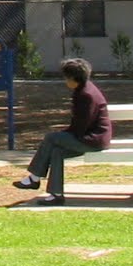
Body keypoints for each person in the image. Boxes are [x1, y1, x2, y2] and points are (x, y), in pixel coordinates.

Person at [14, 57, 111, 205]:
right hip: (88, 137)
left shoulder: (86, 95)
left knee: (51, 138)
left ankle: (34, 178)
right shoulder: (84, 89)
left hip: (92, 140)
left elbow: (81, 125)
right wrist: (65, 134)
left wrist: (64, 135)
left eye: (66, 77)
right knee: (56, 152)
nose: (65, 81)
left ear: (74, 78)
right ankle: (56, 195)